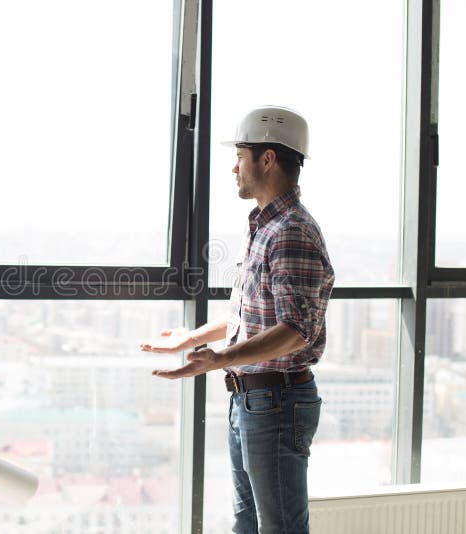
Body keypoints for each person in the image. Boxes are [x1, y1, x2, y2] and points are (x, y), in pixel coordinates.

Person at [141, 106, 334, 534]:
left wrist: (220, 357)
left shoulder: (290, 232)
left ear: (268, 159)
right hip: (251, 400)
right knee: (247, 524)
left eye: (241, 155)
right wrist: (193, 338)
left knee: (279, 528)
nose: (234, 167)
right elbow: (250, 316)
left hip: (276, 402)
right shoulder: (266, 227)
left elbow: (295, 331)